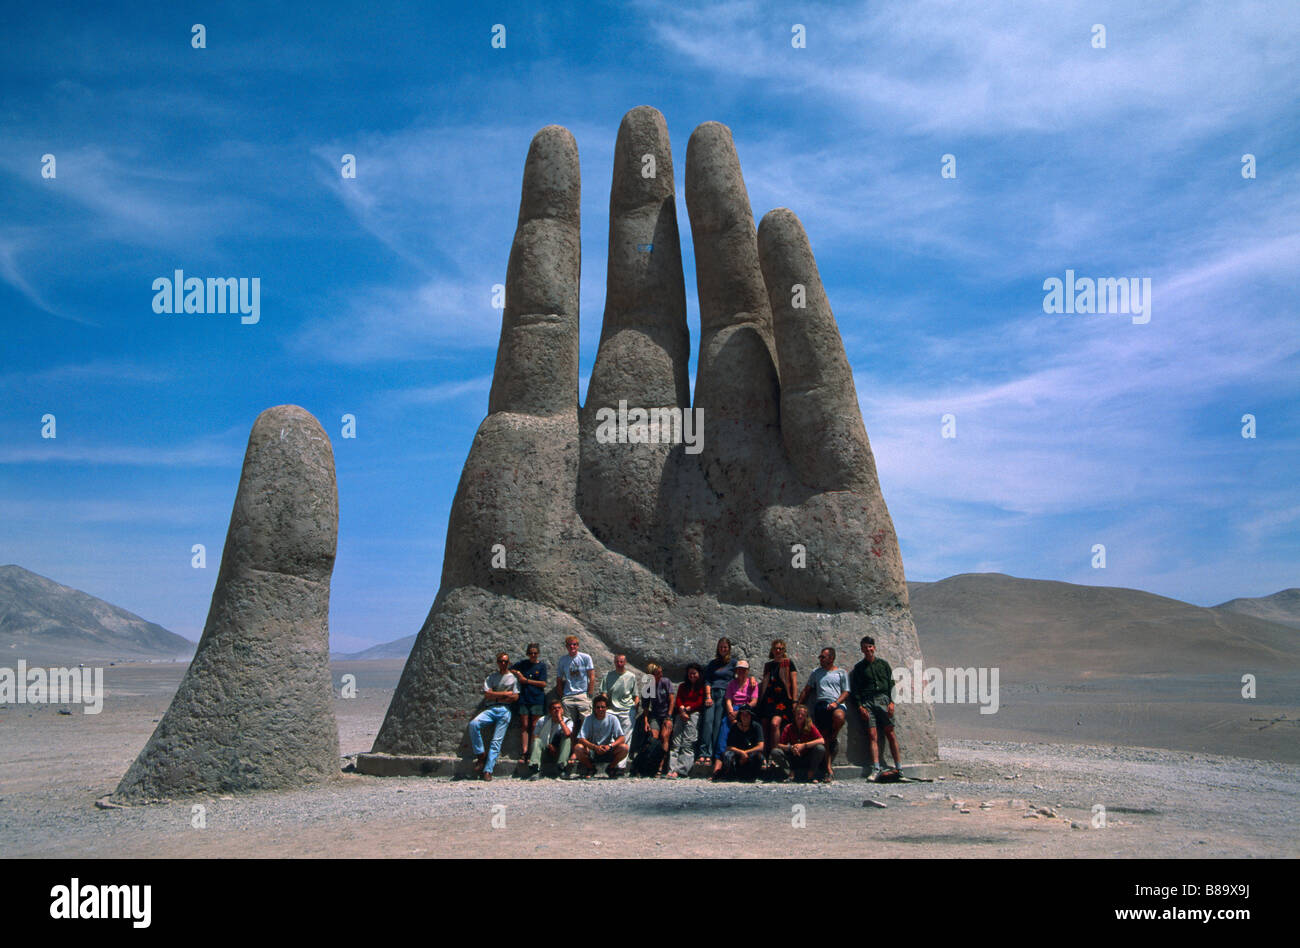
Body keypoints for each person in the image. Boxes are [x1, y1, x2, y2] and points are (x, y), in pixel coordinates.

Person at [850, 636, 903, 780]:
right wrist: (860, 706)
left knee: (890, 733)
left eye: (870, 647)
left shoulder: (884, 665)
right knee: (873, 735)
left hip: (883, 700)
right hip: (867, 702)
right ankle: (876, 768)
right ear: (862, 649)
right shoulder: (859, 668)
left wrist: (892, 702)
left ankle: (899, 767)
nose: (868, 649)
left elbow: (892, 684)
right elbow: (855, 690)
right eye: (865, 647)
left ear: (874, 648)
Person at [799, 647, 850, 779]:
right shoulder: (816, 672)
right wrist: (798, 704)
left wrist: (836, 703)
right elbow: (807, 689)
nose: (820, 659)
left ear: (831, 658)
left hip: (836, 703)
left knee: (839, 717)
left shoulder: (841, 672)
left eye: (823, 657)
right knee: (824, 737)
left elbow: (846, 692)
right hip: (821, 704)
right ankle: (828, 769)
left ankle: (834, 736)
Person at [468, 653, 518, 781]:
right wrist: (505, 694)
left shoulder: (513, 678)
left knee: (496, 741)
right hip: (490, 709)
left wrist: (495, 694)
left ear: (509, 663)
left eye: (505, 661)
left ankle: (488, 770)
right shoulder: (492, 677)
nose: (503, 663)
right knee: (474, 724)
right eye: (501, 661)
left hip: (504, 710)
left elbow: (515, 697)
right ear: (497, 662)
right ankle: (481, 755)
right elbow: (487, 695)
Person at [556, 635, 595, 767]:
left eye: (574, 644)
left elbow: (591, 675)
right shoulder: (563, 660)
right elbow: (559, 679)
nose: (572, 647)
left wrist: (589, 692)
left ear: (578, 645)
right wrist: (562, 696)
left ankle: (586, 748)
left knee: (585, 723)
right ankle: (573, 751)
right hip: (568, 695)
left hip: (582, 694)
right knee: (570, 726)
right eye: (569, 645)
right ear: (566, 646)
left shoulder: (585, 657)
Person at [756, 639, 798, 762]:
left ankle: (775, 755)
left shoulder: (788, 663)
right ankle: (764, 755)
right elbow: (765, 683)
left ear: (784, 650)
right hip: (768, 700)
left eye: (780, 648)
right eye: (775, 648)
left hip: (783, 700)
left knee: (775, 724)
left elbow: (794, 683)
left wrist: (794, 701)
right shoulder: (768, 665)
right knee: (764, 725)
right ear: (772, 650)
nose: (778, 651)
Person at [599, 654, 640, 771]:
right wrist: (605, 706)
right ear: (614, 662)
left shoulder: (631, 676)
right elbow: (604, 693)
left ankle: (620, 766)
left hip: (627, 709)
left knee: (626, 737)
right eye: (617, 661)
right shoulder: (608, 676)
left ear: (625, 662)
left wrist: (635, 706)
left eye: (621, 662)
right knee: (610, 736)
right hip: (612, 709)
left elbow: (635, 695)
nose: (619, 664)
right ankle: (610, 761)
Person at [572, 694, 628, 778]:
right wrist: (594, 747)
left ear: (606, 708)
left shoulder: (613, 719)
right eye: (598, 707)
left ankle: (611, 768)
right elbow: (581, 738)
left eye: (603, 707)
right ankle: (591, 768)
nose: (600, 709)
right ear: (594, 708)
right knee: (578, 748)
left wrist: (610, 746)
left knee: (624, 748)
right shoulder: (588, 719)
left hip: (608, 749)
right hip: (593, 750)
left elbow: (621, 738)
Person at [667, 663, 707, 777]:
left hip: (693, 714)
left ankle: (681, 770)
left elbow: (700, 701)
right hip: (681, 713)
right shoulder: (682, 686)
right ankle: (671, 768)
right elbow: (678, 699)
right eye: (690, 674)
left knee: (688, 742)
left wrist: (689, 708)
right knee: (676, 741)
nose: (692, 676)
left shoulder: (701, 687)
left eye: (694, 673)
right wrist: (681, 709)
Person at [699, 637, 734, 766]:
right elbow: (707, 680)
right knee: (707, 722)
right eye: (721, 647)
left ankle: (714, 754)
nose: (723, 649)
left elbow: (741, 674)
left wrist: (752, 678)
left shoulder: (733, 663)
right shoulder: (713, 663)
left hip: (724, 694)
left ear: (729, 649)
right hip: (712, 693)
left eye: (725, 647)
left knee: (718, 724)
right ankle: (704, 753)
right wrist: (708, 696)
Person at [511, 643, 548, 765]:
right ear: (528, 654)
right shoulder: (524, 664)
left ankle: (533, 751)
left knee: (534, 725)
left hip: (537, 698)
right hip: (525, 698)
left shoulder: (541, 666)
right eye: (531, 653)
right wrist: (519, 674)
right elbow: (511, 668)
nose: (533, 655)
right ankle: (525, 751)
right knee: (525, 725)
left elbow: (543, 683)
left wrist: (526, 681)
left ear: (538, 654)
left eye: (535, 653)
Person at [770, 703, 827, 782]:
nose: (800, 716)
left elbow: (822, 740)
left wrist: (804, 745)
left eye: (802, 715)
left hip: (807, 757)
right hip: (794, 757)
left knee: (820, 748)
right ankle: (790, 774)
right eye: (798, 714)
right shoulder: (789, 727)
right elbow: (779, 745)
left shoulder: (810, 726)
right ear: (795, 715)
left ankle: (811, 774)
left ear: (806, 717)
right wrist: (791, 747)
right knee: (775, 752)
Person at [638, 663, 675, 776]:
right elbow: (645, 706)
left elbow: (672, 700)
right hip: (655, 715)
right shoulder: (648, 686)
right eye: (658, 673)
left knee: (664, 736)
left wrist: (668, 717)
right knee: (653, 738)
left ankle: (660, 766)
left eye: (661, 672)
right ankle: (650, 765)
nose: (661, 675)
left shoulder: (665, 682)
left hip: (666, 714)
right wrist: (645, 721)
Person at [526, 699, 574, 779]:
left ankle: (561, 767)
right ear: (550, 711)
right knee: (537, 741)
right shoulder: (542, 720)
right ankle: (535, 769)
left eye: (559, 708)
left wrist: (560, 720)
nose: (557, 710)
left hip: (560, 751)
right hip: (545, 749)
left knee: (567, 740)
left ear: (562, 710)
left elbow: (567, 733)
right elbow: (535, 736)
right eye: (554, 708)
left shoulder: (568, 721)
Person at [720, 658, 759, 758]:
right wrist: (731, 712)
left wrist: (741, 712)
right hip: (734, 708)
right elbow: (728, 699)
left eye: (744, 669)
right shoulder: (732, 684)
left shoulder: (752, 683)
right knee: (725, 724)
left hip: (747, 709)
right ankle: (722, 755)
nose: (741, 672)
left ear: (747, 671)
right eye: (739, 669)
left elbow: (754, 701)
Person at [714, 706, 764, 781]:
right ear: (739, 716)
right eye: (743, 715)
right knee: (727, 755)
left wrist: (746, 752)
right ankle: (731, 774)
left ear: (751, 716)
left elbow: (760, 746)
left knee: (759, 756)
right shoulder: (734, 727)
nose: (745, 717)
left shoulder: (756, 726)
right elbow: (729, 747)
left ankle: (753, 775)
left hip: (750, 754)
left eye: (747, 715)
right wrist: (741, 752)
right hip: (738, 755)